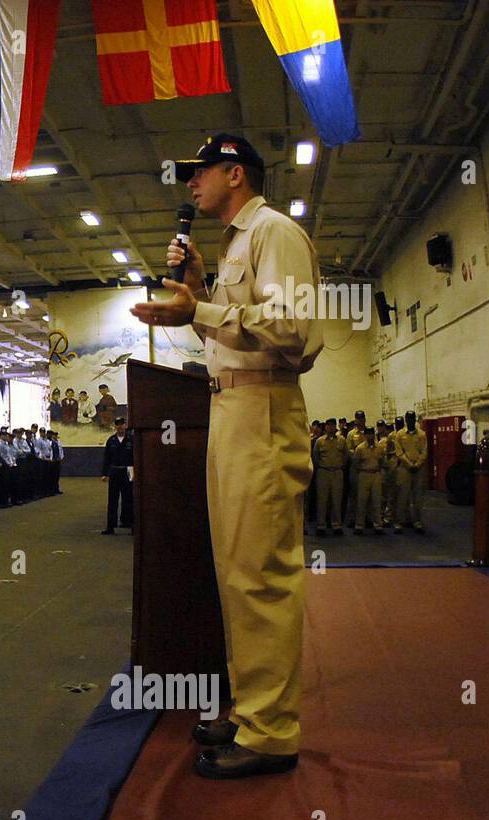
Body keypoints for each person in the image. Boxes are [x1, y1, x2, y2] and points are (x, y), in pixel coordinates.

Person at [131, 132, 322, 779]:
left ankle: (272, 733)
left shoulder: (274, 233)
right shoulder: (237, 244)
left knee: (261, 570)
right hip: (231, 409)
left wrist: (201, 307)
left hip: (263, 409)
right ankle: (250, 707)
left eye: (201, 171)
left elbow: (294, 332)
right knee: (237, 568)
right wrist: (198, 290)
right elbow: (236, 322)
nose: (192, 184)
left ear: (235, 173)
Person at [393, 410, 428, 533]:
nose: (410, 421)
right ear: (406, 420)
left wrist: (417, 464)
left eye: (412, 418)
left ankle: (417, 521)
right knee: (402, 496)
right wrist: (409, 464)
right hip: (404, 469)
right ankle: (400, 522)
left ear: (415, 419)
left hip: (418, 470)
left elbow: (424, 452)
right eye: (408, 419)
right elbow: (399, 452)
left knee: (417, 497)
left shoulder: (422, 435)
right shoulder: (400, 435)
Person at [311, 418, 346, 536]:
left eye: (332, 425)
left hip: (337, 472)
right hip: (323, 472)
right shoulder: (319, 441)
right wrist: (321, 466)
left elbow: (345, 456)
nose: (330, 427)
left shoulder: (341, 441)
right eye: (328, 425)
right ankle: (321, 525)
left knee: (336, 499)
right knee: (322, 499)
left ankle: (336, 524)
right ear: (325, 427)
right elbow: (315, 457)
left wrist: (340, 465)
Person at [100, 417, 133, 534]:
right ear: (115, 426)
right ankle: (110, 527)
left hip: (128, 472)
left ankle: (130, 524)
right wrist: (104, 473)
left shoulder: (132, 440)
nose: (120, 426)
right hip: (114, 472)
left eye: (122, 424)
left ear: (126, 425)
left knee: (129, 499)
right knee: (112, 500)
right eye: (117, 424)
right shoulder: (111, 440)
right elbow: (107, 458)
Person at [351, 427, 385, 535]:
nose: (370, 436)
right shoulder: (360, 448)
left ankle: (378, 525)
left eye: (372, 434)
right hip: (364, 474)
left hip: (375, 474)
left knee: (376, 501)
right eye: (368, 434)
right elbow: (355, 463)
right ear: (365, 436)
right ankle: (359, 525)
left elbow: (382, 461)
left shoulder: (379, 447)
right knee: (362, 501)